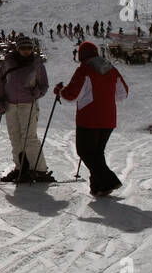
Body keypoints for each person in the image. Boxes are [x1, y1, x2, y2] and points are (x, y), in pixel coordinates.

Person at [54, 41, 129, 196]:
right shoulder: (111, 69)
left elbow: (71, 95)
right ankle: (98, 187)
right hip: (108, 118)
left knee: (85, 152)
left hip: (89, 119)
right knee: (97, 153)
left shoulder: (84, 70)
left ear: (81, 56)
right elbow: (123, 93)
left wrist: (60, 90)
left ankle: (109, 181)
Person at [0, 35, 52, 182]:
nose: (26, 51)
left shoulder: (37, 64)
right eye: (23, 48)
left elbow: (44, 85)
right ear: (17, 48)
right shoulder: (8, 63)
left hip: (28, 104)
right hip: (10, 104)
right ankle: (21, 168)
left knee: (29, 137)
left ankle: (39, 169)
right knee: (14, 137)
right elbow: (1, 82)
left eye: (29, 48)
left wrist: (38, 92)